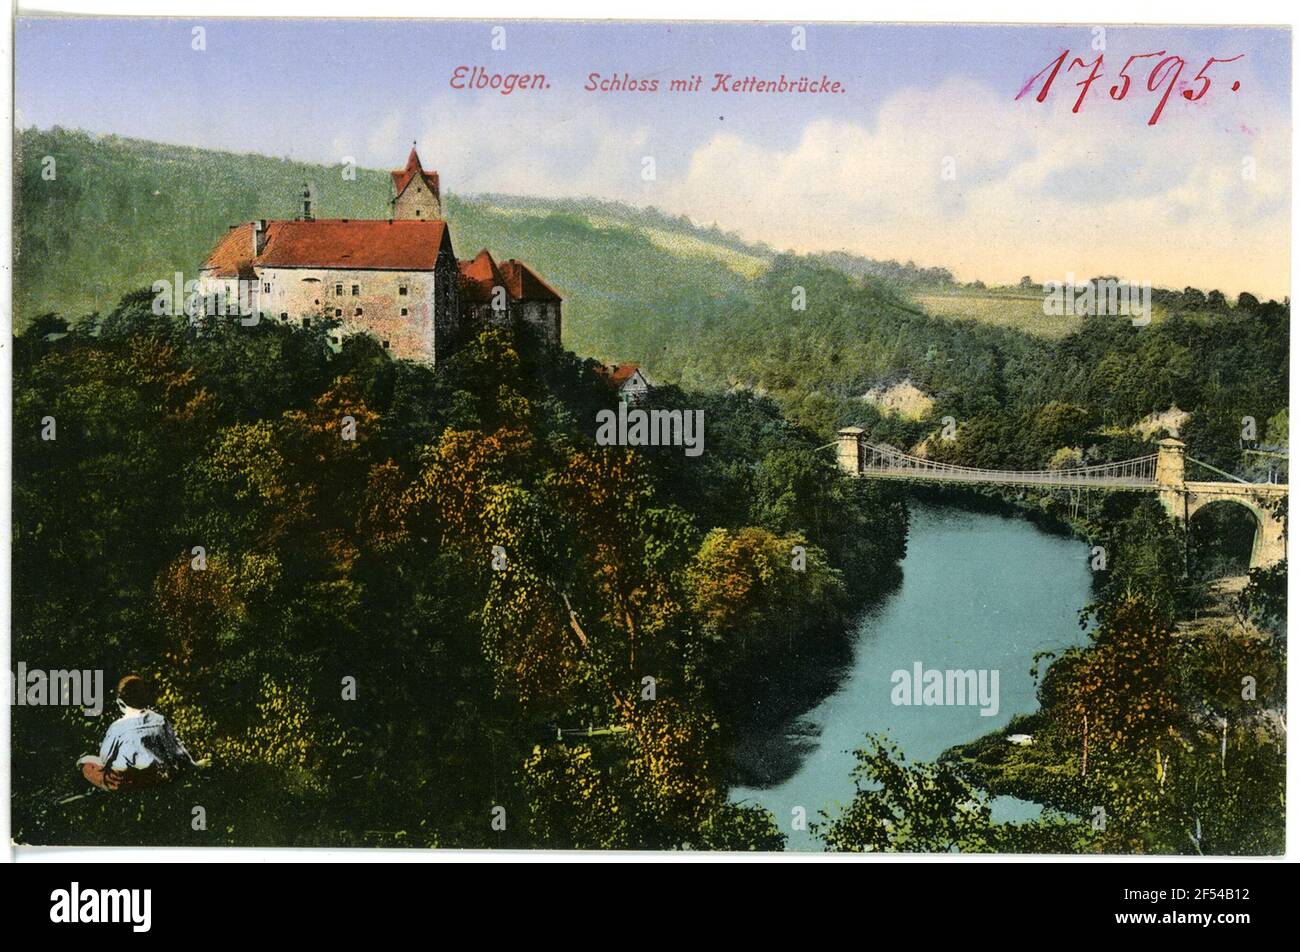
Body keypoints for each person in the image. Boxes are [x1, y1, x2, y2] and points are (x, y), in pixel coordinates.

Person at [77, 674, 208, 792]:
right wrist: (193, 765)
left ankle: (99, 789)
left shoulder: (117, 727)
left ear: (120, 702)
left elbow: (105, 758)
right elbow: (177, 751)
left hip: (126, 781)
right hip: (156, 777)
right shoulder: (160, 720)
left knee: (85, 764)